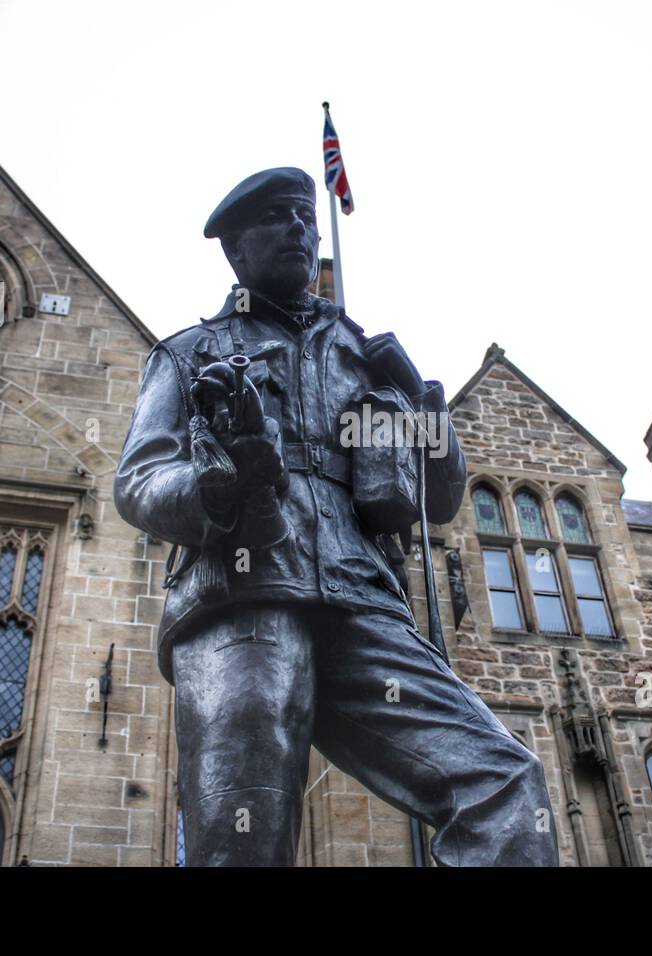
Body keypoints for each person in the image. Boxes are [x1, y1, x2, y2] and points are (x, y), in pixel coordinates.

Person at [114, 167, 558, 866]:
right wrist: (220, 486)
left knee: (505, 783)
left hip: (362, 606)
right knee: (244, 834)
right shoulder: (187, 353)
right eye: (276, 218)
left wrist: (424, 405)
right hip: (245, 597)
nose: (298, 227)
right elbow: (139, 480)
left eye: (305, 216)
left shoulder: (366, 362)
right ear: (234, 251)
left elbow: (439, 500)